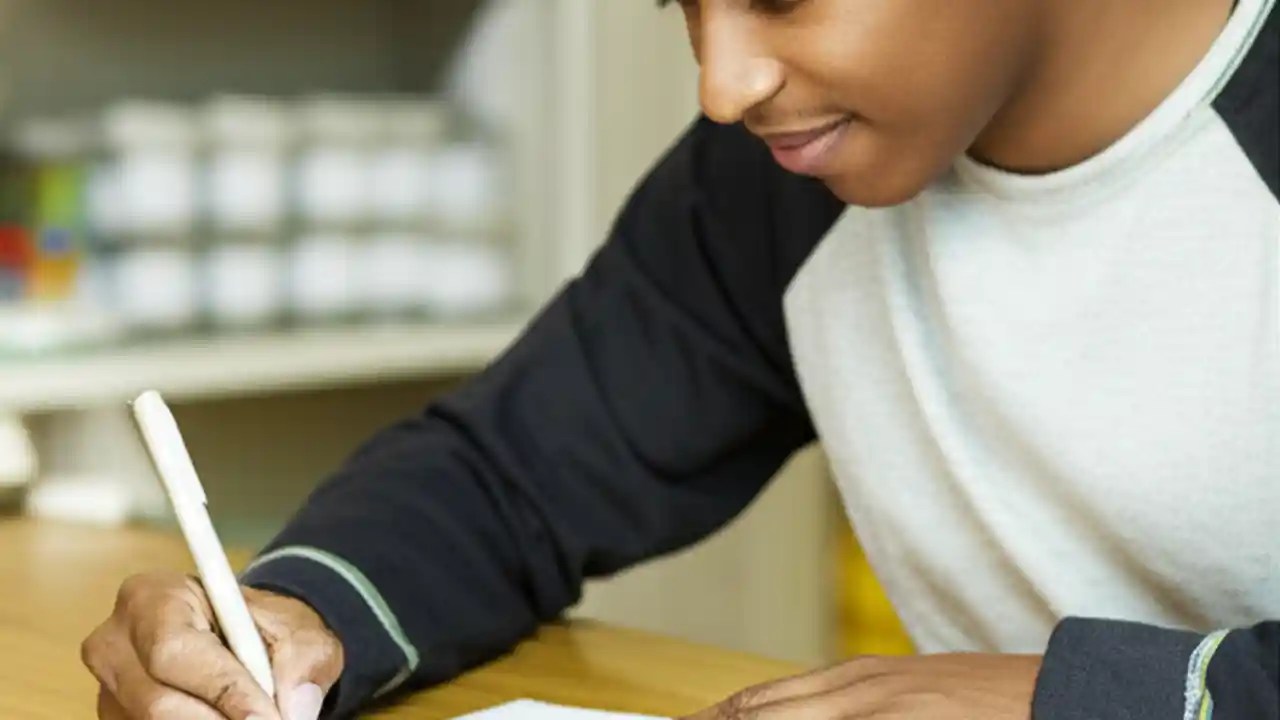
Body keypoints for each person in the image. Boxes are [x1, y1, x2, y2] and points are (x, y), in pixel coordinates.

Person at [81, 0, 1278, 718]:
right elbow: (513, 474)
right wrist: (291, 616)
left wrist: (1111, 700)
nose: (722, 86)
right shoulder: (784, 186)